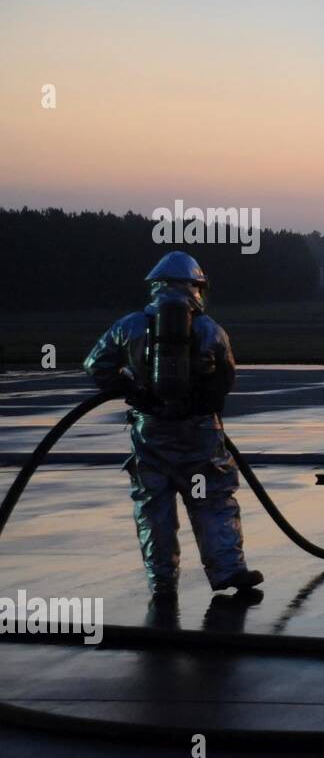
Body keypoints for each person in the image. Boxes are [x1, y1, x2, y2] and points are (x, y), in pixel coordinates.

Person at [83, 251, 263, 596]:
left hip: (150, 437)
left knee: (155, 510)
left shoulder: (130, 326)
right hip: (199, 438)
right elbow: (226, 378)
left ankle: (162, 580)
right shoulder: (209, 330)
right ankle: (228, 570)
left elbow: (95, 364)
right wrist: (200, 400)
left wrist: (133, 390)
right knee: (212, 501)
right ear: (196, 288)